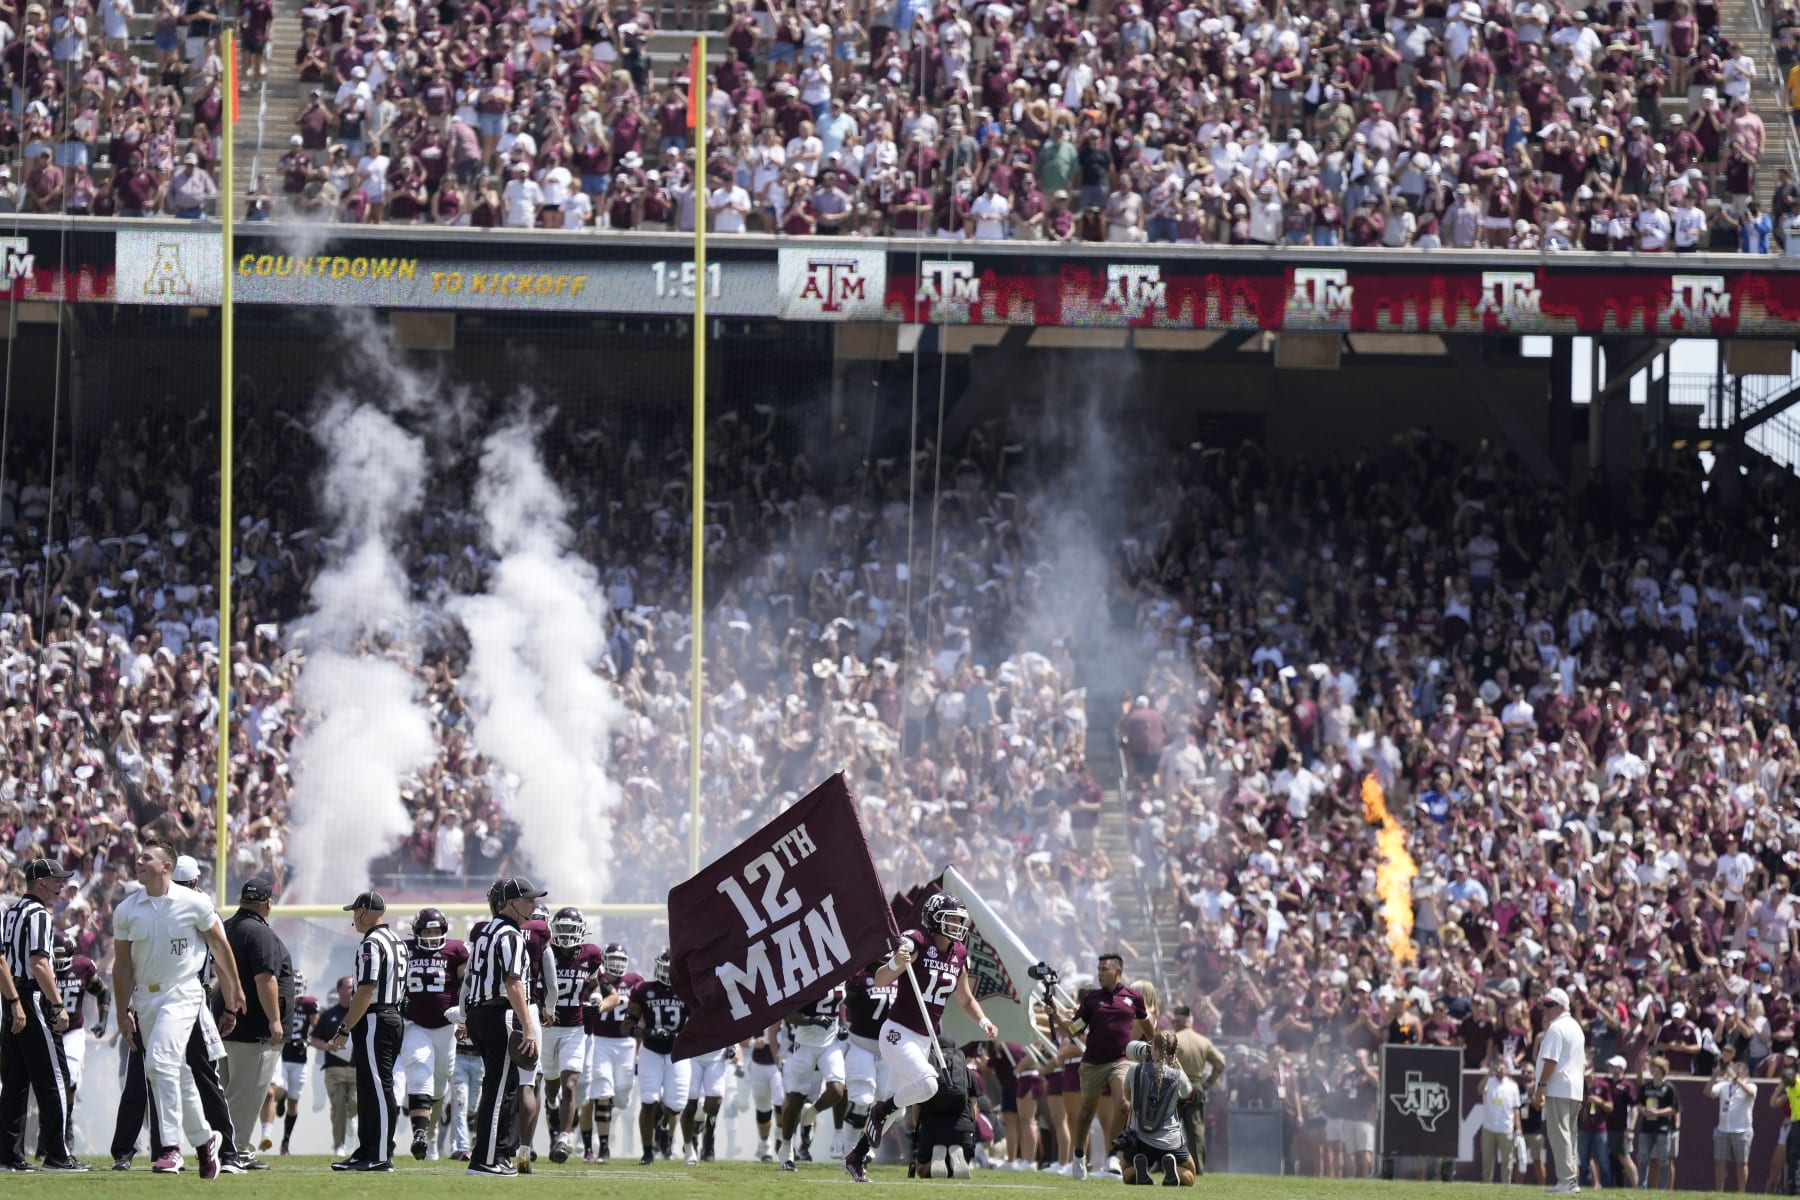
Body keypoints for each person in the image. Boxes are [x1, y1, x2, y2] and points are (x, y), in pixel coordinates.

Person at [843, 891, 999, 1183]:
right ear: (934, 918)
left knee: (897, 1113)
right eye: (951, 918)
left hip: (924, 1039)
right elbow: (880, 980)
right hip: (898, 1033)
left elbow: (965, 999)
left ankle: (856, 1157)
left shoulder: (959, 953)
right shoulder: (916, 940)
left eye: (959, 920)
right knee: (928, 1085)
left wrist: (983, 1020)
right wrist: (894, 963)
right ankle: (881, 1108)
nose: (956, 925)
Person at [111, 839, 244, 1177]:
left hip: (184, 992)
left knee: (158, 1061)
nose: (138, 860)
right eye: (138, 855)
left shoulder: (195, 903)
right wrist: (121, 1011)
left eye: (146, 857)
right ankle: (204, 1140)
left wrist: (234, 990)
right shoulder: (126, 909)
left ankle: (170, 1147)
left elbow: (220, 946)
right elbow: (123, 967)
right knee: (176, 1071)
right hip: (146, 999)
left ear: (166, 866)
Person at [0, 858, 84, 1171]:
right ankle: (58, 1154)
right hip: (33, 997)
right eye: (56, 879)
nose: (62, 884)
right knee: (56, 1078)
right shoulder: (38, 913)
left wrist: (12, 1001)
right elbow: (39, 963)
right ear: (40, 882)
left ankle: (8, 1155)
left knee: (16, 1083)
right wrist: (58, 1004)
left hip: (12, 998)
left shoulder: (13, 913)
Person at [463, 876, 544, 1177]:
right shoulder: (510, 935)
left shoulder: (485, 932)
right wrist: (529, 1026)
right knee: (498, 1090)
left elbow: (472, 979)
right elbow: (513, 983)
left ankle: (497, 1154)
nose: (534, 904)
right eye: (528, 899)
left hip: (479, 1013)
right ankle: (484, 1159)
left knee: (503, 1088)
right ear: (512, 903)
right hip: (499, 1014)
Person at [327, 890, 407, 1172]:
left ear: (364, 910)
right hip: (390, 1015)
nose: (353, 918)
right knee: (370, 1087)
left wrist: (345, 1027)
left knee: (377, 1084)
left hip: (376, 1017)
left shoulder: (371, 943)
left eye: (355, 912)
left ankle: (382, 1153)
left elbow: (366, 989)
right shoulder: (397, 941)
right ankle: (367, 1151)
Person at [1055, 952, 1150, 1178]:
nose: (1100, 974)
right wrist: (1058, 1018)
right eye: (1098, 970)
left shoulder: (1133, 997)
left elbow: (1146, 1023)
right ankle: (1078, 1154)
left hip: (1120, 1061)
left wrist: (1156, 1046)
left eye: (1104, 970)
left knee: (1124, 1104)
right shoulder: (1091, 999)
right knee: (1086, 1112)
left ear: (1117, 971)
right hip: (1093, 1064)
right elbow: (1074, 1029)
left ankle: (1111, 1156)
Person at [219, 876, 290, 1169]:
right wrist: (275, 1019)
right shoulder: (258, 932)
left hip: (229, 1022)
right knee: (247, 1094)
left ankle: (224, 1149)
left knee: (228, 1091)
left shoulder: (228, 926)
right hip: (254, 1028)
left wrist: (228, 1011)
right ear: (268, 904)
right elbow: (265, 979)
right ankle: (236, 1151)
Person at [399, 906, 468, 1162]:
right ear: (417, 931)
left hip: (446, 1028)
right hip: (415, 1024)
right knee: (419, 1071)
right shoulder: (405, 949)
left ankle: (430, 1132)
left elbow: (468, 983)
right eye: (427, 930)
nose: (431, 935)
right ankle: (419, 1135)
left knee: (439, 1085)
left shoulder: (456, 950)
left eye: (436, 930)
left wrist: (462, 1011)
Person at [542, 907, 602, 1165]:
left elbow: (595, 985)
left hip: (575, 1029)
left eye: (570, 929)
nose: (566, 934)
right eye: (562, 928)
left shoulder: (592, 955)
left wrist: (596, 998)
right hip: (546, 1029)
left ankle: (564, 1138)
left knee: (570, 1085)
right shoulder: (545, 953)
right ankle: (551, 1103)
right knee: (552, 1084)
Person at [775, 982, 847, 1169]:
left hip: (830, 1043)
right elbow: (791, 1016)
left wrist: (843, 1024)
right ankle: (786, 1147)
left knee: (838, 1091)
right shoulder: (805, 976)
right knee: (797, 1097)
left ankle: (811, 1113)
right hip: (805, 1044)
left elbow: (842, 1004)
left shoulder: (841, 974)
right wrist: (811, 1020)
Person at [629, 950, 690, 1165]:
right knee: (648, 1103)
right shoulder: (643, 990)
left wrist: (678, 1035)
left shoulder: (688, 991)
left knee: (675, 1106)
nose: (668, 974)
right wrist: (647, 1033)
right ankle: (647, 1152)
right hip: (651, 1052)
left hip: (677, 1055)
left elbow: (697, 1024)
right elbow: (628, 1025)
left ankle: (664, 1123)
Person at [578, 943, 637, 1164]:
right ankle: (601, 1148)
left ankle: (601, 1136)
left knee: (621, 1097)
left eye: (621, 960)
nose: (616, 964)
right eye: (612, 959)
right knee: (601, 1091)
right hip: (599, 1041)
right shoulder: (593, 978)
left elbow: (641, 1013)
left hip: (626, 1045)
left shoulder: (635, 982)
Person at [1118, 1033, 1195, 1186]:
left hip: (1140, 1139)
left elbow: (1127, 1096)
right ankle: (1172, 1168)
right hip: (1170, 1142)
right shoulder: (1178, 1076)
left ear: (1154, 1048)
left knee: (1126, 1171)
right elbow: (1190, 1093)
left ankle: (1141, 1170)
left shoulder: (1135, 1070)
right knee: (1190, 1173)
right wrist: (1176, 1064)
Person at [1532, 986, 1585, 1196]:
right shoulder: (1576, 1027)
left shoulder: (1556, 1028)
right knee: (1569, 1136)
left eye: (1549, 1005)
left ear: (1561, 1006)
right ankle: (1571, 1180)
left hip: (1558, 1087)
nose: (1545, 1008)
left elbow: (1551, 1060)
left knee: (1559, 1135)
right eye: (1544, 1004)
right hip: (1573, 1089)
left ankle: (1567, 1180)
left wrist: (1541, 1087)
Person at [842, 965, 897, 1167]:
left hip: (888, 1051)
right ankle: (851, 1149)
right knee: (862, 1099)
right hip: (860, 1045)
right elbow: (847, 1006)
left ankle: (863, 1145)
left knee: (890, 1107)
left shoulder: (902, 974)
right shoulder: (858, 977)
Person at [912, 1037, 979, 1178]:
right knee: (959, 1164)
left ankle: (938, 1157)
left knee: (921, 1170)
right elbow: (973, 1107)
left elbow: (916, 1105)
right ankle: (953, 1158)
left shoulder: (925, 1070)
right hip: (962, 1129)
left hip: (931, 1129)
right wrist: (970, 1129)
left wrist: (919, 1128)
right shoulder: (967, 1073)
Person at [1168, 1005, 1224, 1175]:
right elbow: (1221, 1063)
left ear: (1178, 1021)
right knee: (1196, 1129)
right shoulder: (1203, 1041)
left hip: (1174, 1085)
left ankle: (1167, 1163)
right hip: (1196, 1085)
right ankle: (1197, 1166)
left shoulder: (1172, 1039)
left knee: (1170, 1127)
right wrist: (1208, 1084)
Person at [309, 978, 358, 1155]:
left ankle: (350, 1124)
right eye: (348, 987)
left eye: (354, 987)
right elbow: (314, 1039)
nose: (352, 990)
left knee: (355, 1104)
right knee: (338, 1106)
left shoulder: (361, 1013)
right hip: (334, 1068)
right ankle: (339, 1144)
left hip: (357, 1068)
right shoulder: (329, 1015)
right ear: (339, 991)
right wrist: (327, 1046)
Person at [273, 974, 318, 1155]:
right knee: (279, 1090)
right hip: (282, 1056)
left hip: (299, 1058)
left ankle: (285, 1141)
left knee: (294, 1102)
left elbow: (318, 1026)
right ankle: (280, 1098)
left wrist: (307, 1041)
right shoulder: (281, 1000)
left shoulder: (309, 1003)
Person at [1710, 1050, 1756, 1193]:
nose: (1735, 1072)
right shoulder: (1724, 1085)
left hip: (1742, 1130)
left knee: (1741, 1163)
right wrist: (1714, 1076)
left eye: (1739, 1070)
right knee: (1719, 1161)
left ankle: (1741, 1192)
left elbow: (1751, 1093)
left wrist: (1736, 1079)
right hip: (1723, 1129)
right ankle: (1719, 1192)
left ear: (1745, 1073)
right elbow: (1707, 1092)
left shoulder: (1751, 1085)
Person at [1636, 1056, 1679, 1191]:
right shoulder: (1646, 1086)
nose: (1652, 1069)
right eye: (1652, 1066)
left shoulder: (1669, 1087)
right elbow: (1639, 1103)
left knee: (1663, 1160)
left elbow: (1674, 1108)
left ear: (1661, 1070)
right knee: (1643, 1157)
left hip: (1663, 1128)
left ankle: (1663, 1188)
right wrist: (1643, 1110)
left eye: (1654, 1066)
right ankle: (1641, 1187)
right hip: (1647, 1128)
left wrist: (1658, 1112)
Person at [1478, 1057, 1522, 1184]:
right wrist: (1488, 1073)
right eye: (1498, 1067)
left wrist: (1518, 1128)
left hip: (1506, 1129)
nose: (1500, 1069)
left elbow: (1516, 1109)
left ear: (1507, 1070)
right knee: (1487, 1160)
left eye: (1502, 1067)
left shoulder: (1513, 1086)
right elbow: (1480, 1090)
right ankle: (1486, 1185)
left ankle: (1506, 1186)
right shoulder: (1489, 1081)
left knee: (1507, 1161)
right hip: (1488, 1128)